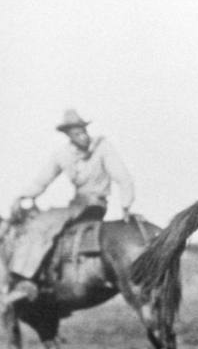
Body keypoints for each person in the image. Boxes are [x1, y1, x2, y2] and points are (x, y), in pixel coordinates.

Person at [1, 109, 135, 309]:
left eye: (82, 130)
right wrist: (24, 196)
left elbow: (122, 177)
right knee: (41, 221)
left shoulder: (103, 147)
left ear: (86, 129)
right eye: (75, 133)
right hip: (77, 203)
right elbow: (41, 181)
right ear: (68, 135)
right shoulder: (62, 155)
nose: (81, 135)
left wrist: (125, 205)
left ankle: (24, 278)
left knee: (41, 224)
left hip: (95, 205)